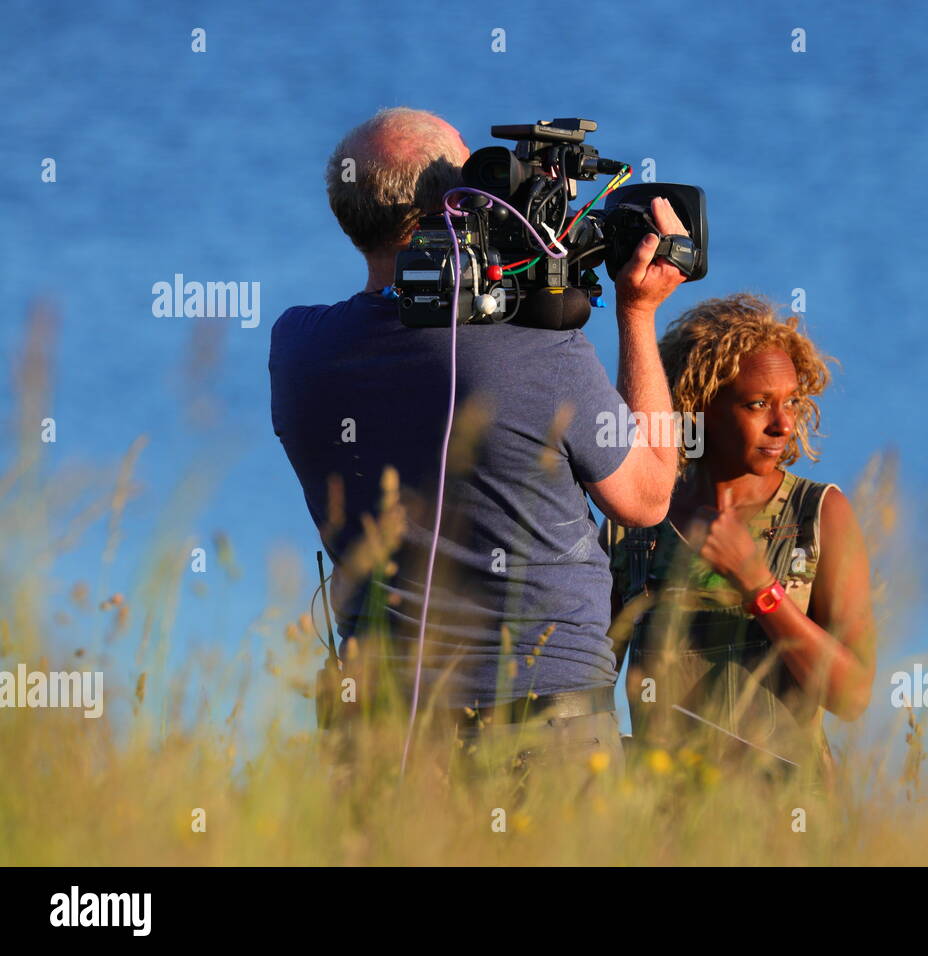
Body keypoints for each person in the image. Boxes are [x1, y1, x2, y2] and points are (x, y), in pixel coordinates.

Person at [269, 107, 688, 781]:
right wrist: (637, 314)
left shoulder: (296, 348)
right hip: (538, 726)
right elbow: (645, 498)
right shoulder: (538, 352)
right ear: (454, 206)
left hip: (381, 733)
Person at [602, 293, 874, 785]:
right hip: (664, 824)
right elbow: (588, 679)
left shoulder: (819, 514)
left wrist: (758, 587)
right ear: (697, 404)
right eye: (758, 404)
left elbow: (851, 697)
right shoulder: (637, 522)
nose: (784, 423)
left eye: (792, 400)